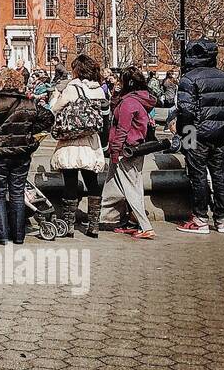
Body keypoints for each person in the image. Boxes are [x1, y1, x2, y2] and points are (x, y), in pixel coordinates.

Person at [0, 68, 54, 245]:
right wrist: (29, 134)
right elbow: (48, 118)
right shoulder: (28, 103)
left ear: (1, 82)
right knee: (17, 193)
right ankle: (19, 235)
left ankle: (2, 234)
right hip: (21, 154)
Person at [174, 39, 224, 234]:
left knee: (197, 175)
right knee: (219, 174)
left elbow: (185, 111)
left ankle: (200, 218)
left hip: (195, 131)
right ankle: (221, 218)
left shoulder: (188, 78)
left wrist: (184, 135)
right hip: (220, 133)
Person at [49, 54, 110, 238]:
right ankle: (93, 225)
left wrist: (55, 97)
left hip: (72, 140)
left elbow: (56, 109)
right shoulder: (99, 89)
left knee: (70, 183)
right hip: (91, 141)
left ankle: (68, 225)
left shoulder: (73, 88)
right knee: (92, 181)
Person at [100, 67, 157, 239]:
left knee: (132, 188)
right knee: (116, 184)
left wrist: (115, 151)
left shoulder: (128, 103)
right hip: (135, 148)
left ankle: (145, 225)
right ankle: (113, 219)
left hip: (126, 150)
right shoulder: (136, 99)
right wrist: (117, 94)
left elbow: (122, 130)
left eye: (121, 80)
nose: (118, 82)